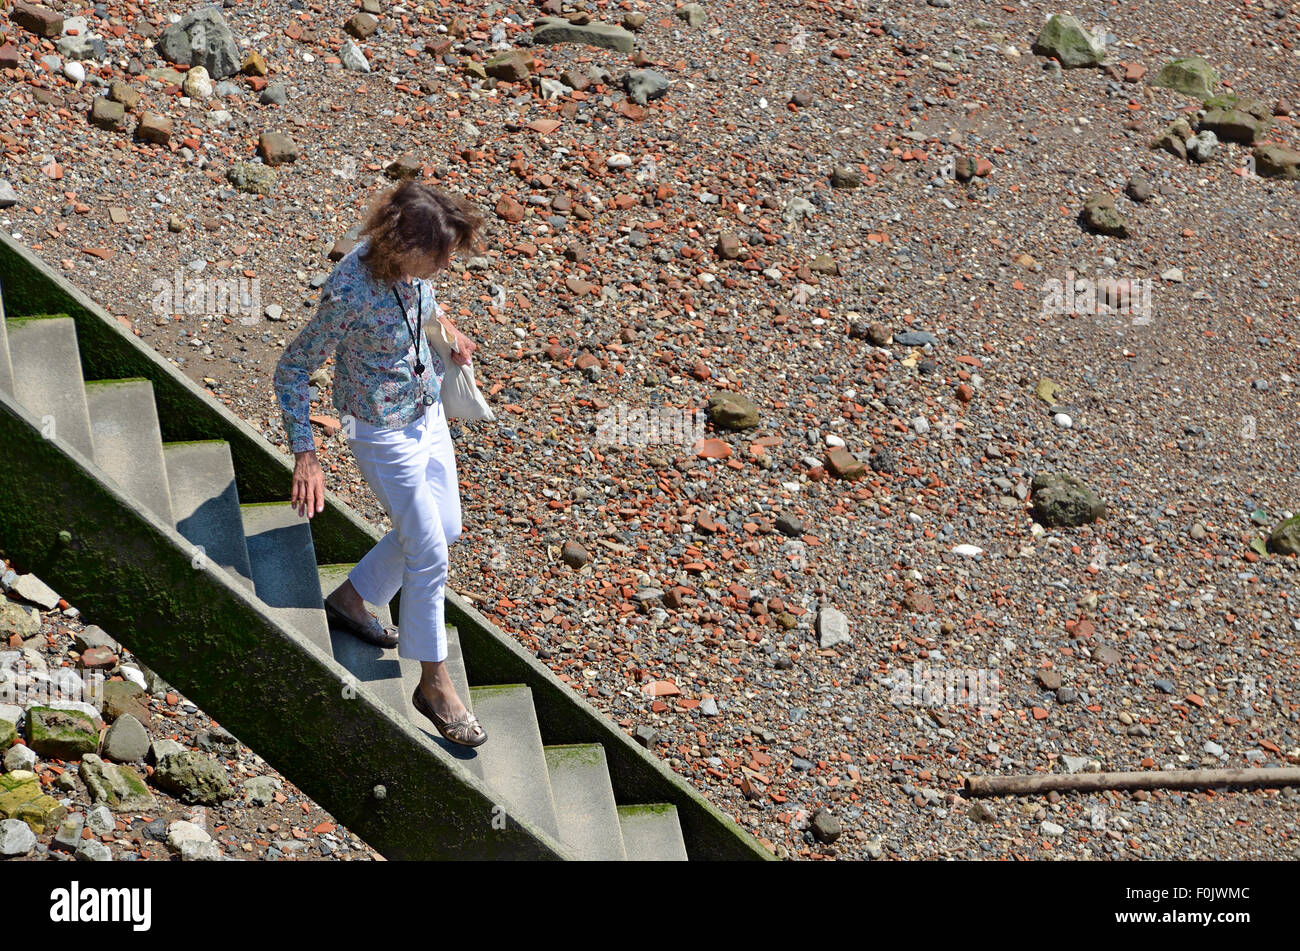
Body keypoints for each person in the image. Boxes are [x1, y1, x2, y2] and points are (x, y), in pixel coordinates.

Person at [273, 179, 489, 747]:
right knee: (429, 548)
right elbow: (292, 369)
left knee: (447, 528)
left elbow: (423, 302)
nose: (441, 266)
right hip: (380, 432)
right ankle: (434, 683)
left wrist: (444, 330)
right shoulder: (348, 293)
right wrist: (306, 454)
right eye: (435, 256)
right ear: (399, 245)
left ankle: (350, 599)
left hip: (427, 413)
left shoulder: (411, 275)